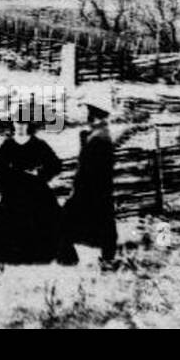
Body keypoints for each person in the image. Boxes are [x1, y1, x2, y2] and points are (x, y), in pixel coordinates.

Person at [0, 115, 76, 266]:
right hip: (13, 191)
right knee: (8, 224)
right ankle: (14, 257)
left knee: (46, 221)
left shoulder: (38, 144)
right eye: (17, 123)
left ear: (29, 125)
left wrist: (40, 174)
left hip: (36, 190)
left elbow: (55, 164)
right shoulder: (7, 145)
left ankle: (43, 256)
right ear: (13, 124)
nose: (20, 126)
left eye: (23, 123)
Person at [63, 101, 117, 264]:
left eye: (90, 113)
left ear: (95, 116)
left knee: (66, 222)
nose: (87, 117)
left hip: (91, 189)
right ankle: (107, 258)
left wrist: (78, 188)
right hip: (97, 189)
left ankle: (72, 259)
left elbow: (89, 167)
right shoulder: (98, 135)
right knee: (104, 224)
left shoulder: (100, 138)